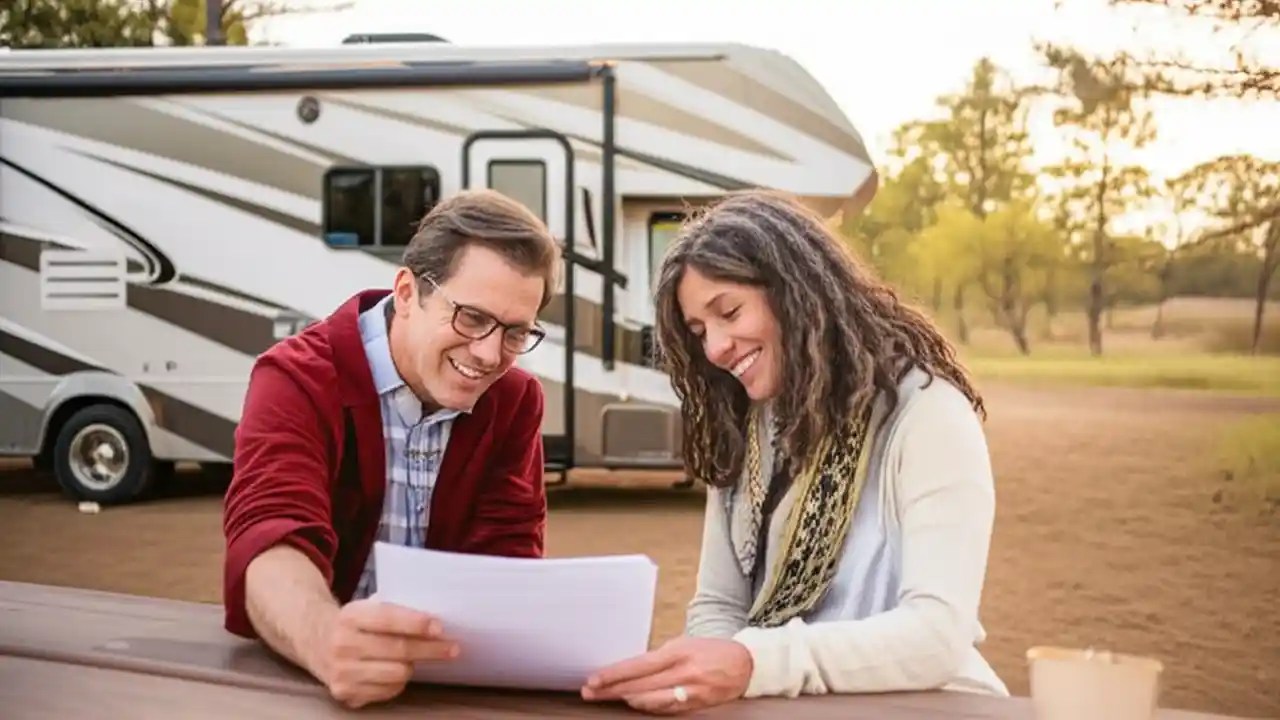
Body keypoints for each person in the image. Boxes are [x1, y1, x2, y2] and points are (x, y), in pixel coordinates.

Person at [580, 189, 1009, 714]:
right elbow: (720, 607)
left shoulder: (926, 416)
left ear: (796, 292)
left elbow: (937, 637)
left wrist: (751, 664)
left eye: (729, 312)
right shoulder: (741, 426)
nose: (714, 347)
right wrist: (707, 682)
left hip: (921, 706)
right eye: (699, 331)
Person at [222, 189, 561, 709]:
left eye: (515, 333)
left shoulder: (513, 402)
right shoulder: (296, 378)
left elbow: (507, 561)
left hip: (442, 687)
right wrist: (326, 640)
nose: (490, 354)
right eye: (471, 317)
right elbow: (270, 539)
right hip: (307, 683)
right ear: (407, 293)